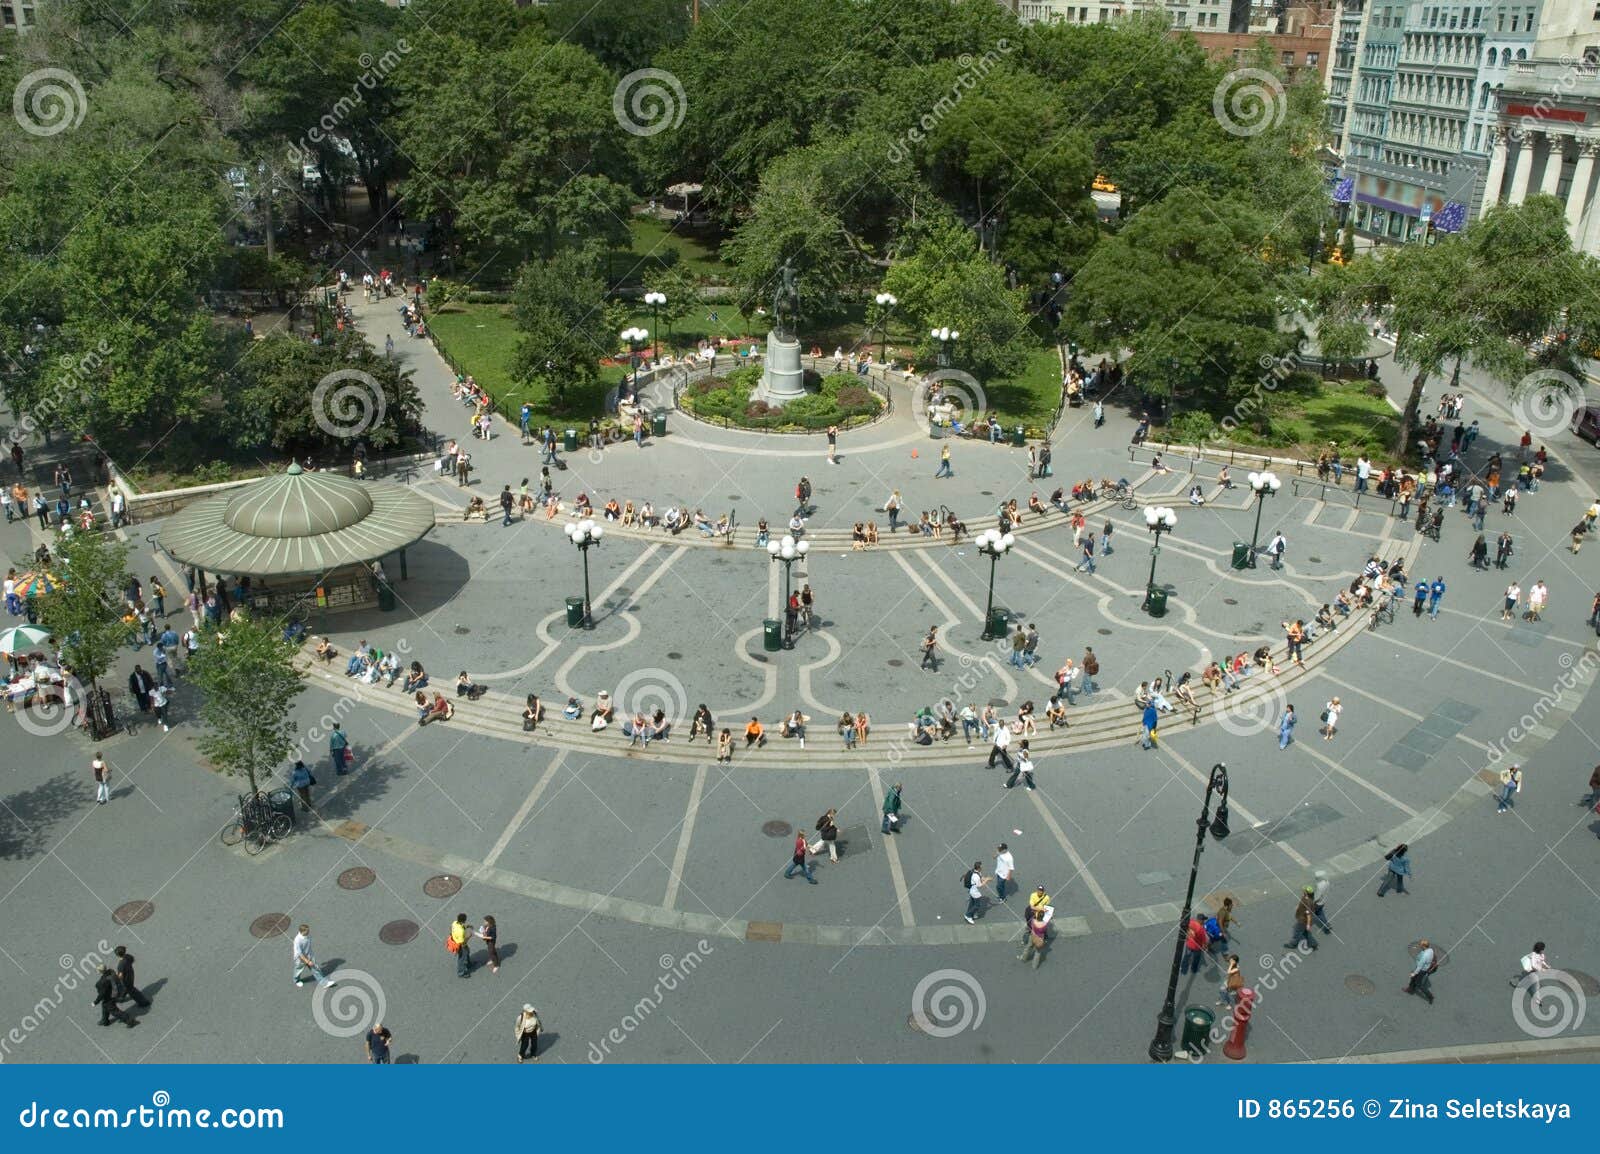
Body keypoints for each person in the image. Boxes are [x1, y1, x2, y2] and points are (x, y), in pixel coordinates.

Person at [293, 924, 335, 988]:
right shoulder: (297, 940)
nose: (309, 932)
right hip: (300, 959)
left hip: (309, 955)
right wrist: (307, 961)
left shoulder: (307, 935)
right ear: (302, 932)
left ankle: (324, 983)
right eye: (307, 931)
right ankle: (296, 980)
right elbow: (300, 954)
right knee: (298, 970)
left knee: (315, 968)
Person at [113, 945, 151, 1011]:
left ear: (117, 955)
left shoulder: (121, 965)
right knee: (127, 988)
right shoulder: (128, 956)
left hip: (126, 980)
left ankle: (144, 1002)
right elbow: (133, 960)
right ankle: (121, 997)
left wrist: (115, 976)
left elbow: (120, 976)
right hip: (130, 974)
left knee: (132, 991)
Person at [1404, 940, 1437, 1004]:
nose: (1420, 946)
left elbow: (1419, 967)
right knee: (1413, 979)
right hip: (1425, 968)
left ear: (1424, 946)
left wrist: (1413, 973)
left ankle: (1430, 996)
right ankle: (1410, 989)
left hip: (1422, 970)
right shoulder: (1431, 950)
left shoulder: (1425, 956)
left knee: (1419, 984)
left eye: (1421, 945)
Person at [450, 913, 473, 977]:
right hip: (460, 945)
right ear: (464, 920)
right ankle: (461, 973)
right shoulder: (460, 931)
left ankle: (469, 964)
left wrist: (466, 926)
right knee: (462, 958)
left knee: (467, 951)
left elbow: (452, 928)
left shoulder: (454, 923)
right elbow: (463, 943)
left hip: (456, 940)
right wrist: (469, 936)